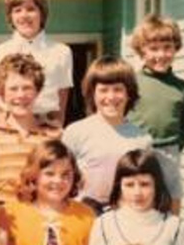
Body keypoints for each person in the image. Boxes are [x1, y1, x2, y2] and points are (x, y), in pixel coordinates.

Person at [62, 56, 152, 212]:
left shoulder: (142, 139)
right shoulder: (75, 132)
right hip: (83, 213)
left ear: (129, 93)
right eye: (103, 90)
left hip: (125, 215)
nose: (110, 97)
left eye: (118, 89)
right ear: (92, 93)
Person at [127, 14, 184, 214]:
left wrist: (171, 147)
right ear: (142, 50)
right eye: (154, 49)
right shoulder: (131, 82)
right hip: (136, 151)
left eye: (167, 48)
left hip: (169, 152)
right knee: (136, 205)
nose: (161, 54)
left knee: (170, 203)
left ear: (176, 48)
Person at [0, 0, 73, 128]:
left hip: (47, 128)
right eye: (17, 10)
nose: (24, 15)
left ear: (42, 13)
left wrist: (55, 132)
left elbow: (62, 102)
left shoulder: (61, 52)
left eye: (31, 9)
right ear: (10, 16)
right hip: (10, 127)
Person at [0, 53, 61, 205]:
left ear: (37, 92)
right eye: (13, 88)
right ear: (1, 93)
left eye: (27, 88)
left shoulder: (53, 135)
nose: (20, 95)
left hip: (36, 216)